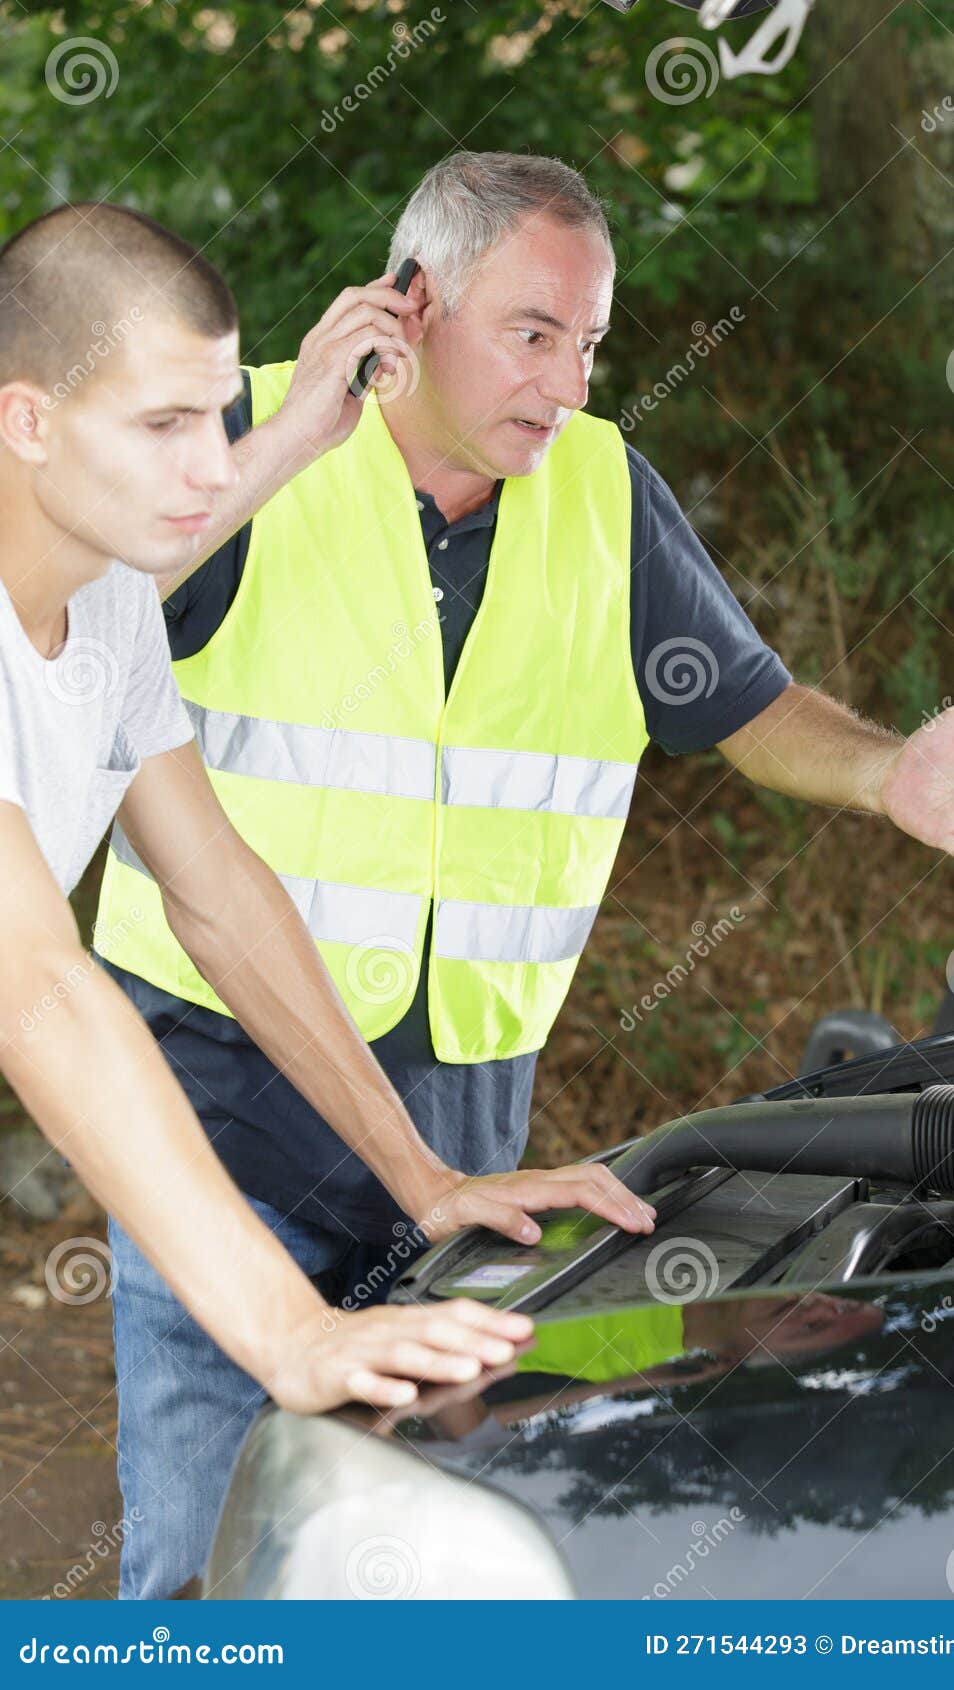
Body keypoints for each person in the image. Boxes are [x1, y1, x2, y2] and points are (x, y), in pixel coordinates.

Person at [92, 149, 954, 1598]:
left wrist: (880, 771)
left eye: (591, 342)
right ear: (409, 310)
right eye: (530, 333)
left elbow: (744, 707)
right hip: (216, 1113)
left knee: (416, 1549)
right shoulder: (242, 438)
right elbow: (73, 610)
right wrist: (285, 442)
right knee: (195, 1565)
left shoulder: (603, 488)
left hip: (466, 1142)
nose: (564, 381)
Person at [0, 196, 660, 1596]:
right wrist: (289, 1332)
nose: (210, 462)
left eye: (217, 412)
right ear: (30, 420)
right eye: (166, 424)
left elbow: (220, 890)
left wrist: (420, 1178)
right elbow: (39, 984)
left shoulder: (107, 608)